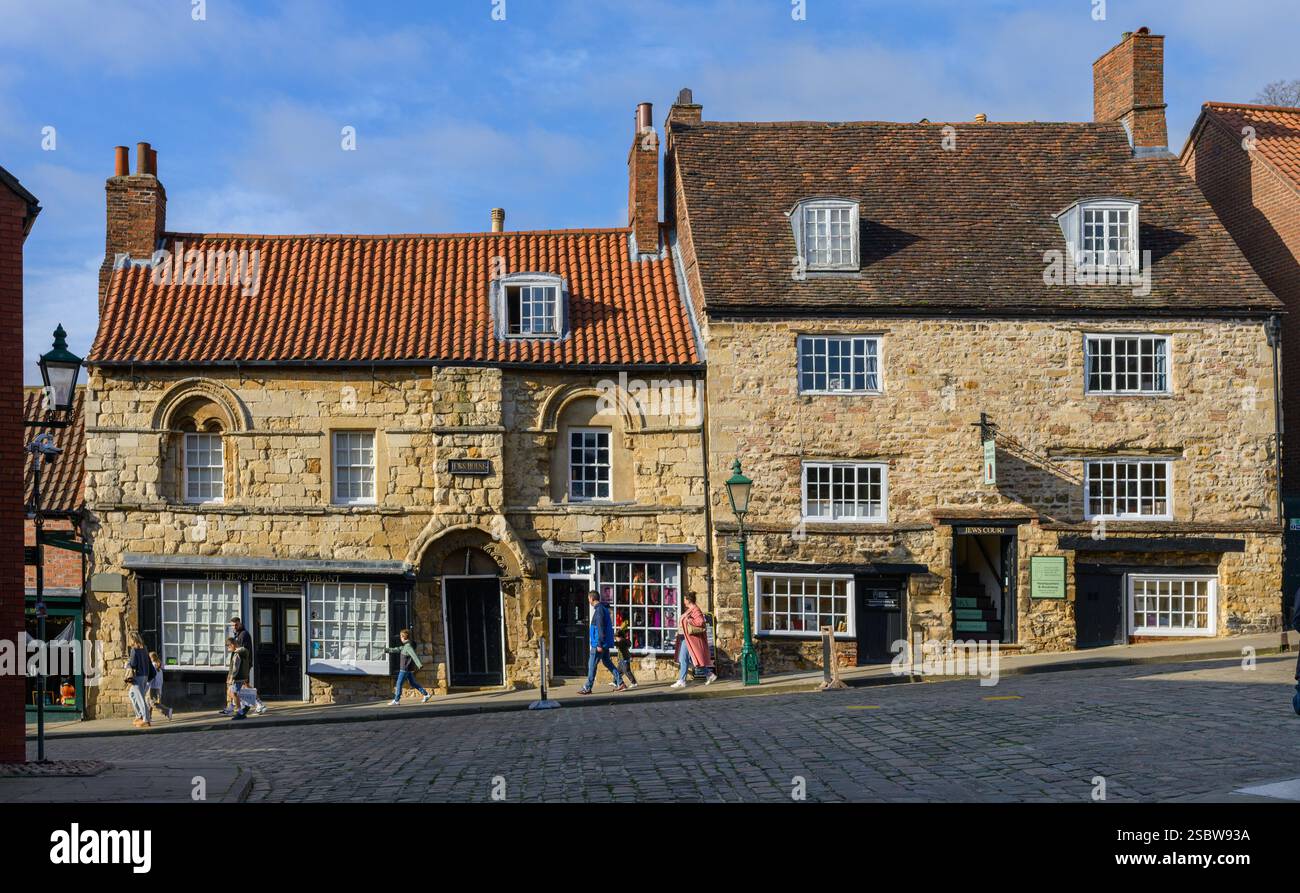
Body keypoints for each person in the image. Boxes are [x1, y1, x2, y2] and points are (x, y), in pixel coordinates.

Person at [578, 591, 625, 695]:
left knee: (591, 665)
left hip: (598, 644)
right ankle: (620, 683)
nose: (588, 600)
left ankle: (587, 687)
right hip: (604, 643)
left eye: (588, 598)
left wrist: (599, 643)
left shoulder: (599, 610)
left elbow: (600, 628)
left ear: (591, 598)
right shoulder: (603, 609)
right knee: (607, 662)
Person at [670, 592, 717, 689]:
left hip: (690, 639)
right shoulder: (689, 610)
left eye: (684, 599)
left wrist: (689, 620)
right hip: (685, 637)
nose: (683, 601)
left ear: (688, 600)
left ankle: (682, 681)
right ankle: (709, 674)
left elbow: (700, 622)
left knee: (683, 658)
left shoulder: (695, 610)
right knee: (691, 659)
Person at [385, 628, 432, 705]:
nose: (400, 638)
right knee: (413, 683)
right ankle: (426, 694)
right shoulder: (406, 646)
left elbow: (414, 655)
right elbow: (397, 649)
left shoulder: (408, 646)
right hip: (408, 670)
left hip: (404, 669)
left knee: (399, 683)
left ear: (404, 637)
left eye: (401, 636)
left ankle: (396, 700)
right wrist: (386, 650)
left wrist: (419, 665)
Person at [125, 632, 155, 727]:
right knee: (132, 694)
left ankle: (146, 719)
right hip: (145, 676)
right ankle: (139, 716)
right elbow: (148, 662)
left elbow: (133, 664)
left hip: (138, 676)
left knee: (140, 698)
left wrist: (127, 664)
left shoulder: (134, 650)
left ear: (132, 639)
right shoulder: (144, 648)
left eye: (129, 639)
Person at [225, 637, 251, 720]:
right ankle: (243, 707)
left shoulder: (238, 653)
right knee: (233, 692)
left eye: (228, 646)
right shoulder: (238, 652)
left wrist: (232, 678)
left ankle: (240, 712)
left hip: (238, 677)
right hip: (242, 676)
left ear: (232, 644)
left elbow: (235, 667)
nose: (228, 648)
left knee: (234, 693)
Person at [148, 651, 174, 720]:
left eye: (149, 657)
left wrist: (147, 685)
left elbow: (151, 678)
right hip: (158, 688)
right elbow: (160, 680)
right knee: (150, 702)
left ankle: (167, 711)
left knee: (152, 703)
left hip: (153, 688)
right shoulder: (159, 666)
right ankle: (149, 717)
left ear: (151, 658)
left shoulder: (152, 666)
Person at [614, 618, 638, 689]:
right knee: (618, 671)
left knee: (627, 671)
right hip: (622, 659)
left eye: (616, 638)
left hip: (624, 659)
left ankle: (634, 682)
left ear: (620, 637)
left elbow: (615, 643)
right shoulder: (623, 641)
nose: (615, 639)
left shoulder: (621, 642)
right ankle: (615, 681)